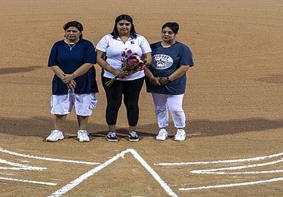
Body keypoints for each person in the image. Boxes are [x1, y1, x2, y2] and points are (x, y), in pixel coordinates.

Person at [97, 14, 151, 142]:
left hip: (135, 78)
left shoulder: (140, 39)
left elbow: (148, 57)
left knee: (132, 104)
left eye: (127, 24)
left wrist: (136, 68)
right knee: (113, 104)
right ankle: (111, 132)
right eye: (121, 24)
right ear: (116, 25)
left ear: (131, 25)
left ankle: (132, 131)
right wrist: (114, 71)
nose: (124, 26)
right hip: (111, 77)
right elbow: (98, 58)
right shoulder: (107, 38)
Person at [45, 21, 98, 143]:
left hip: (84, 81)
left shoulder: (87, 45)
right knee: (59, 106)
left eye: (74, 31)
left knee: (83, 106)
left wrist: (73, 76)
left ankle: (82, 131)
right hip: (61, 82)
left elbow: (89, 62)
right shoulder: (58, 45)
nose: (71, 33)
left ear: (80, 32)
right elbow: (53, 63)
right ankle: (57, 132)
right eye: (68, 31)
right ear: (65, 33)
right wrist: (65, 78)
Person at [145, 21, 193, 142]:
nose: (166, 34)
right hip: (156, 83)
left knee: (175, 108)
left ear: (175, 34)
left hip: (175, 85)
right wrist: (151, 77)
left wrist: (169, 79)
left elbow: (184, 67)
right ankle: (163, 128)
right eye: (164, 32)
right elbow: (144, 65)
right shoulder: (153, 48)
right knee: (160, 107)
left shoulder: (182, 49)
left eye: (170, 33)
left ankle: (180, 129)